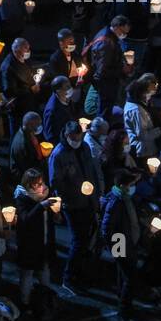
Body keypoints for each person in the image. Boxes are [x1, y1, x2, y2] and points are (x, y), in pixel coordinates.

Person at [49, 119, 100, 295]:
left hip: (89, 201)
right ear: (67, 135)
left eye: (79, 137)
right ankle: (68, 277)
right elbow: (56, 182)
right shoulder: (59, 154)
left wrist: (95, 194)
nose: (77, 141)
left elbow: (92, 171)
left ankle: (81, 272)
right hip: (73, 204)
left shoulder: (84, 148)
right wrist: (69, 197)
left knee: (87, 238)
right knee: (79, 240)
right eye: (74, 138)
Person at [100, 169, 142, 321]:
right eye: (131, 184)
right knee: (130, 278)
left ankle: (122, 302)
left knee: (123, 275)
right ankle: (124, 313)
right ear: (123, 185)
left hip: (127, 242)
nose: (133, 187)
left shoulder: (124, 198)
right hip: (122, 244)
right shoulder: (116, 202)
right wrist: (118, 248)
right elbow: (107, 229)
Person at [14, 168, 58, 315]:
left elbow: (48, 218)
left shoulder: (45, 194)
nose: (41, 186)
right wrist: (41, 206)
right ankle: (25, 303)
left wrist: (56, 215)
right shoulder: (22, 198)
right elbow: (26, 219)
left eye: (41, 182)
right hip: (29, 245)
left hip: (44, 242)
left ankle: (46, 300)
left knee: (45, 272)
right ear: (28, 185)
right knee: (27, 274)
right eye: (36, 184)